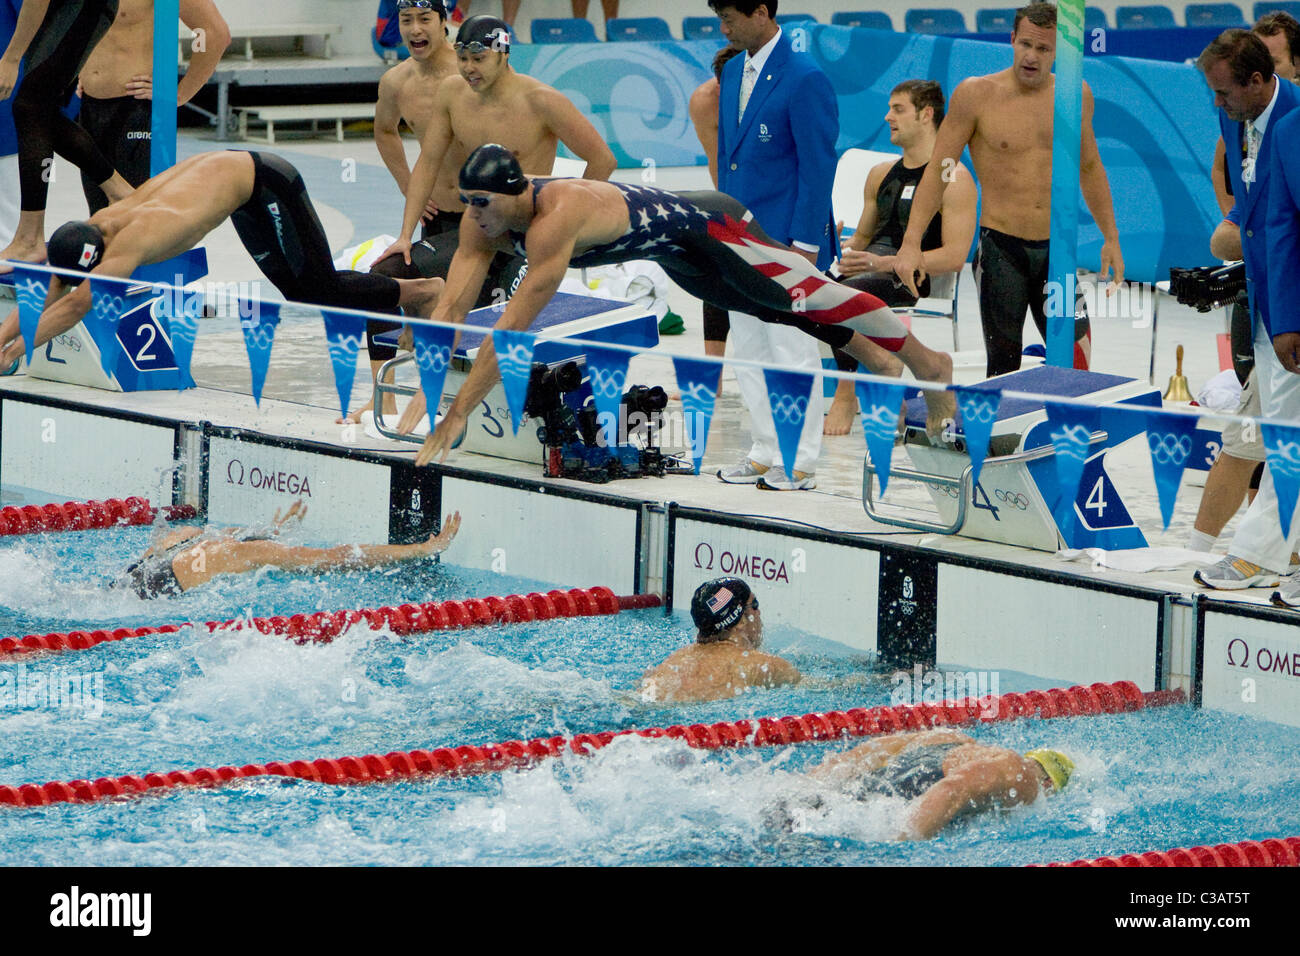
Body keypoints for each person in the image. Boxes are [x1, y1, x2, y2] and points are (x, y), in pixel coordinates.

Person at [399, 146, 956, 466]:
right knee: (769, 307)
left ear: (517, 193)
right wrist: (424, 398)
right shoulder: (482, 224)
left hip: (712, 226)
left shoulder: (554, 218)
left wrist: (455, 416)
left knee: (812, 294)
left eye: (482, 202)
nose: (473, 214)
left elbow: (512, 331)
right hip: (677, 253)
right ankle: (877, 358)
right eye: (467, 202)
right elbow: (450, 311)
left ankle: (929, 364)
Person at [0, 150, 446, 368]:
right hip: (241, 194)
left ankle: (424, 291)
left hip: (268, 182)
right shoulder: (98, 224)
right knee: (299, 289)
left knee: (321, 288)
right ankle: (412, 296)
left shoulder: (127, 245)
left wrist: (14, 352)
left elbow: (76, 305)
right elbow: (56, 285)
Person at [893, 2, 1124, 378]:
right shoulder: (977, 95)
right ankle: (1000, 435)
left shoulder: (1073, 94)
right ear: (1012, 39)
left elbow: (1090, 167)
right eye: (1026, 45)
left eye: (1044, 49)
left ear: (1057, 52)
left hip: (1058, 253)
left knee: (1077, 358)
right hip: (1002, 250)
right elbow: (940, 170)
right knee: (1004, 364)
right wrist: (911, 242)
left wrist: (1110, 237)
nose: (1032, 56)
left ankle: (1068, 432)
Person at [711, 0, 835, 491]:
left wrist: (805, 245)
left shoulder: (805, 77)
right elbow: (728, 158)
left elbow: (818, 166)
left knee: (792, 349)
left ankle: (800, 458)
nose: (723, 29)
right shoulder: (733, 72)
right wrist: (720, 227)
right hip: (738, 235)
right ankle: (766, 447)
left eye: (730, 19)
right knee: (750, 347)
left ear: (761, 12)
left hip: (786, 241)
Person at [1192, 29, 1300, 591]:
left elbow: (1292, 225)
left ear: (1257, 81)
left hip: (1291, 309)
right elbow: (1256, 210)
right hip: (1265, 296)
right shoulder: (1236, 119)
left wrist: (1290, 319)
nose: (1218, 104)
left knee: (1285, 435)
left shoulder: (1296, 121)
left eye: (1224, 92)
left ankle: (1258, 554)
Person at [824, 79, 977, 435]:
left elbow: (955, 257)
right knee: (812, 291)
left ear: (926, 115)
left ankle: (846, 394)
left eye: (898, 109)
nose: (887, 116)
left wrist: (883, 263)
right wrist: (834, 248)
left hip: (916, 278)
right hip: (869, 271)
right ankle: (883, 368)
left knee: (844, 298)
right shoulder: (880, 175)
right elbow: (861, 240)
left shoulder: (954, 178)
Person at [342, 0, 461, 426]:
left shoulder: (470, 72)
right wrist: (410, 186)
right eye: (406, 20)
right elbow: (384, 131)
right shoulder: (396, 81)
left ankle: (438, 394)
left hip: (484, 226)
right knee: (380, 281)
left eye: (425, 19)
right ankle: (386, 400)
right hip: (436, 222)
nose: (414, 29)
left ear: (445, 22)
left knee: (431, 300)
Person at [0, 0, 134, 274]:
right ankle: (121, 192)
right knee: (37, 108)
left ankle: (29, 240)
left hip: (81, 5)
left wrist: (12, 58)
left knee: (30, 105)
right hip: (71, 8)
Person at [113, 500, 461, 598]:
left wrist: (275, 528)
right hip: (154, 604)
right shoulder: (247, 553)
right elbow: (337, 557)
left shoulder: (189, 534)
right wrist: (418, 549)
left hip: (125, 585)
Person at [76, 0, 230, 214]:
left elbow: (211, 33)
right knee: (100, 214)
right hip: (90, 109)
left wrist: (180, 94)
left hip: (136, 110)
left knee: (135, 216)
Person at [779, 728, 1073, 840]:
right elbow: (952, 790)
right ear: (1048, 782)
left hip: (824, 803)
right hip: (850, 825)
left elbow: (859, 756)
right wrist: (898, 847)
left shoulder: (950, 737)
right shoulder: (1019, 776)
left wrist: (802, 784)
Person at [638, 577, 798, 702]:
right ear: (741, 620)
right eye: (754, 605)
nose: (759, 612)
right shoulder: (762, 666)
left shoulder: (671, 664)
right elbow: (817, 689)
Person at [688, 44, 742, 388]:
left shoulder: (772, 93)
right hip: (735, 190)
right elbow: (717, 159)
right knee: (714, 265)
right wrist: (731, 212)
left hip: (779, 190)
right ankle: (714, 376)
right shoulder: (704, 101)